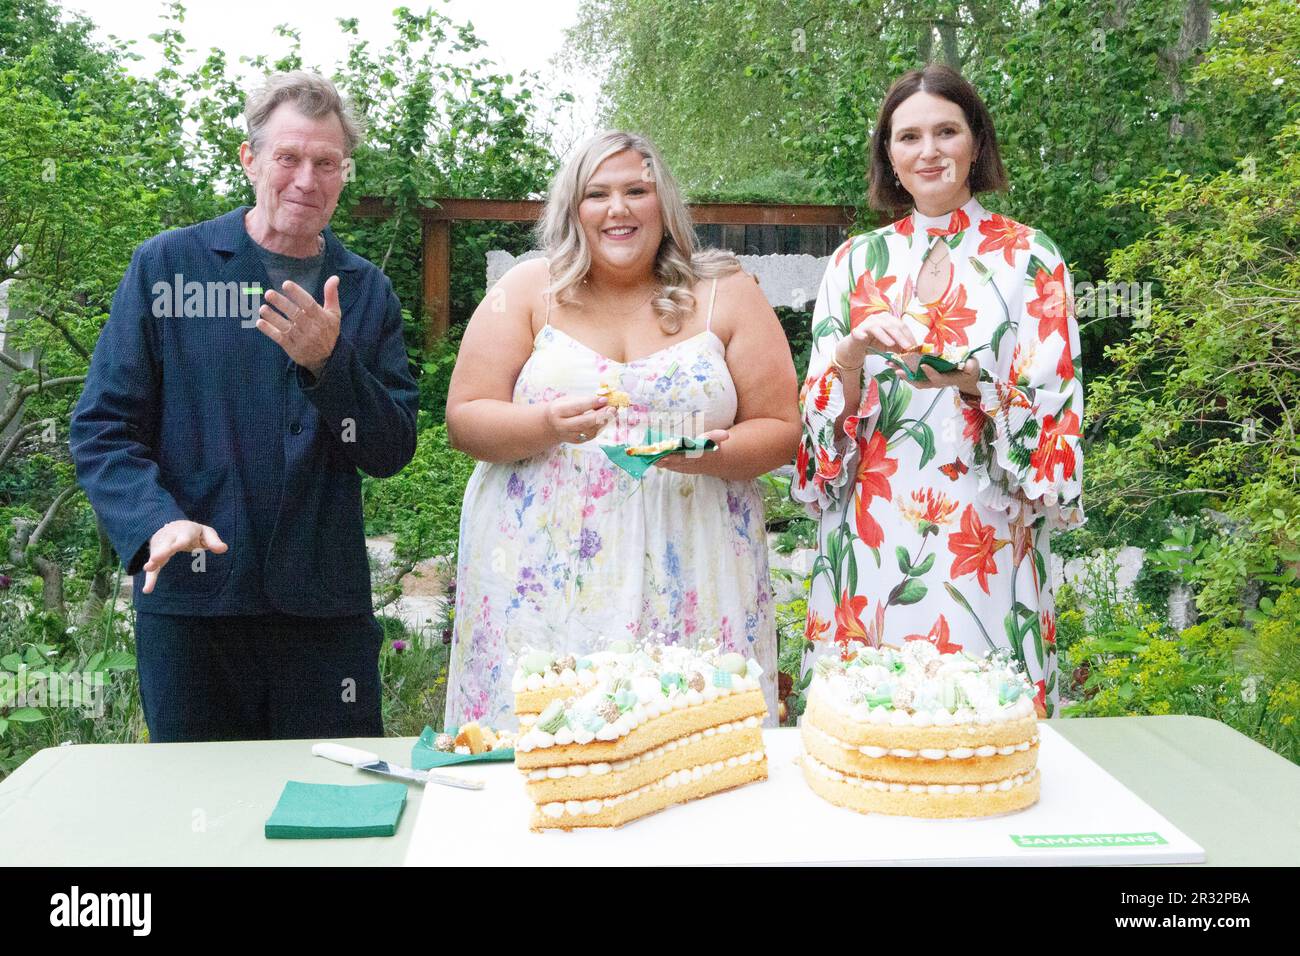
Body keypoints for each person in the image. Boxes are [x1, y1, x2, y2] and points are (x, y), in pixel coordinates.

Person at [69, 71, 419, 742]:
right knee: (201, 816)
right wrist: (155, 522)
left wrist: (330, 363)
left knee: (334, 818)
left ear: (344, 173)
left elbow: (387, 449)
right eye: (288, 157)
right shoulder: (169, 269)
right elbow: (102, 430)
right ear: (249, 159)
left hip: (323, 618)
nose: (306, 179)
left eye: (327, 163)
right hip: (195, 610)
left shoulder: (366, 293)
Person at [444, 130, 801, 728]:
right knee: (546, 750)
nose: (618, 209)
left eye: (637, 190)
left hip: (694, 555)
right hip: (543, 572)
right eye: (597, 194)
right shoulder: (529, 289)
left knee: (692, 750)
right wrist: (545, 423)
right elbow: (466, 418)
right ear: (572, 208)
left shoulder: (726, 293)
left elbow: (782, 427)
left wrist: (714, 453)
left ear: (663, 204)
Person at [792, 65, 1085, 716]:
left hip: (980, 522)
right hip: (869, 528)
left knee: (981, 720)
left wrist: (977, 382)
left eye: (946, 131)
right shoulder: (852, 264)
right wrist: (848, 357)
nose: (928, 152)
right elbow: (818, 426)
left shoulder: (1031, 260)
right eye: (909, 137)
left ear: (976, 143)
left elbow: (1054, 412)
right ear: (889, 156)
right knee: (868, 731)